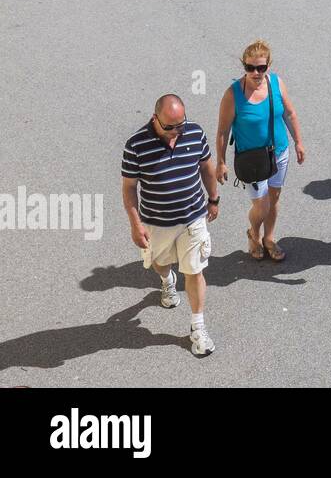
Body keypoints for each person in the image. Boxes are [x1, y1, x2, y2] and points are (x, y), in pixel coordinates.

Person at [121, 93, 218, 357]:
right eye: (169, 127)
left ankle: (197, 328)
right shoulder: (136, 145)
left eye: (180, 125)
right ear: (155, 119)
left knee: (195, 270)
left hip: (193, 217)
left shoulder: (195, 133)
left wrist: (213, 199)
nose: (176, 132)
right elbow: (129, 188)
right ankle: (166, 279)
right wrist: (135, 224)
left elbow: (207, 168)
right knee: (160, 262)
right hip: (157, 222)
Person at [214, 40, 305, 262]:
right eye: (250, 68)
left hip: (279, 152)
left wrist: (298, 142)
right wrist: (221, 161)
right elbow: (223, 131)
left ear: (268, 67)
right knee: (261, 204)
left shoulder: (276, 84)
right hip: (251, 159)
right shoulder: (233, 94)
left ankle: (269, 238)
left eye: (261, 68)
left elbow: (290, 114)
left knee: (274, 198)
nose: (256, 72)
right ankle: (254, 233)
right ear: (244, 66)